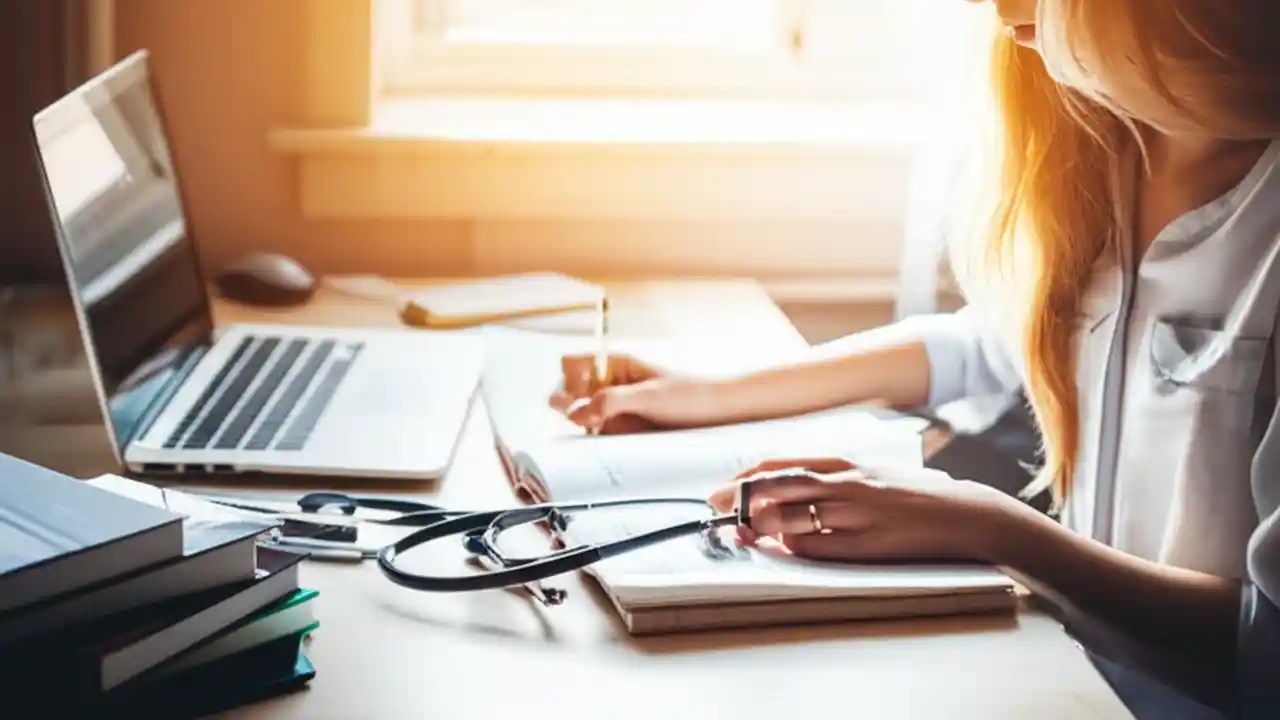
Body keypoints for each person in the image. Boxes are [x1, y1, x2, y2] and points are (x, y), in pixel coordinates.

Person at [550, 0, 1280, 714]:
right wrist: (710, 393)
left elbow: (1266, 649)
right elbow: (988, 346)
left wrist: (989, 529)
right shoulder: (1106, 146)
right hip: (1069, 675)